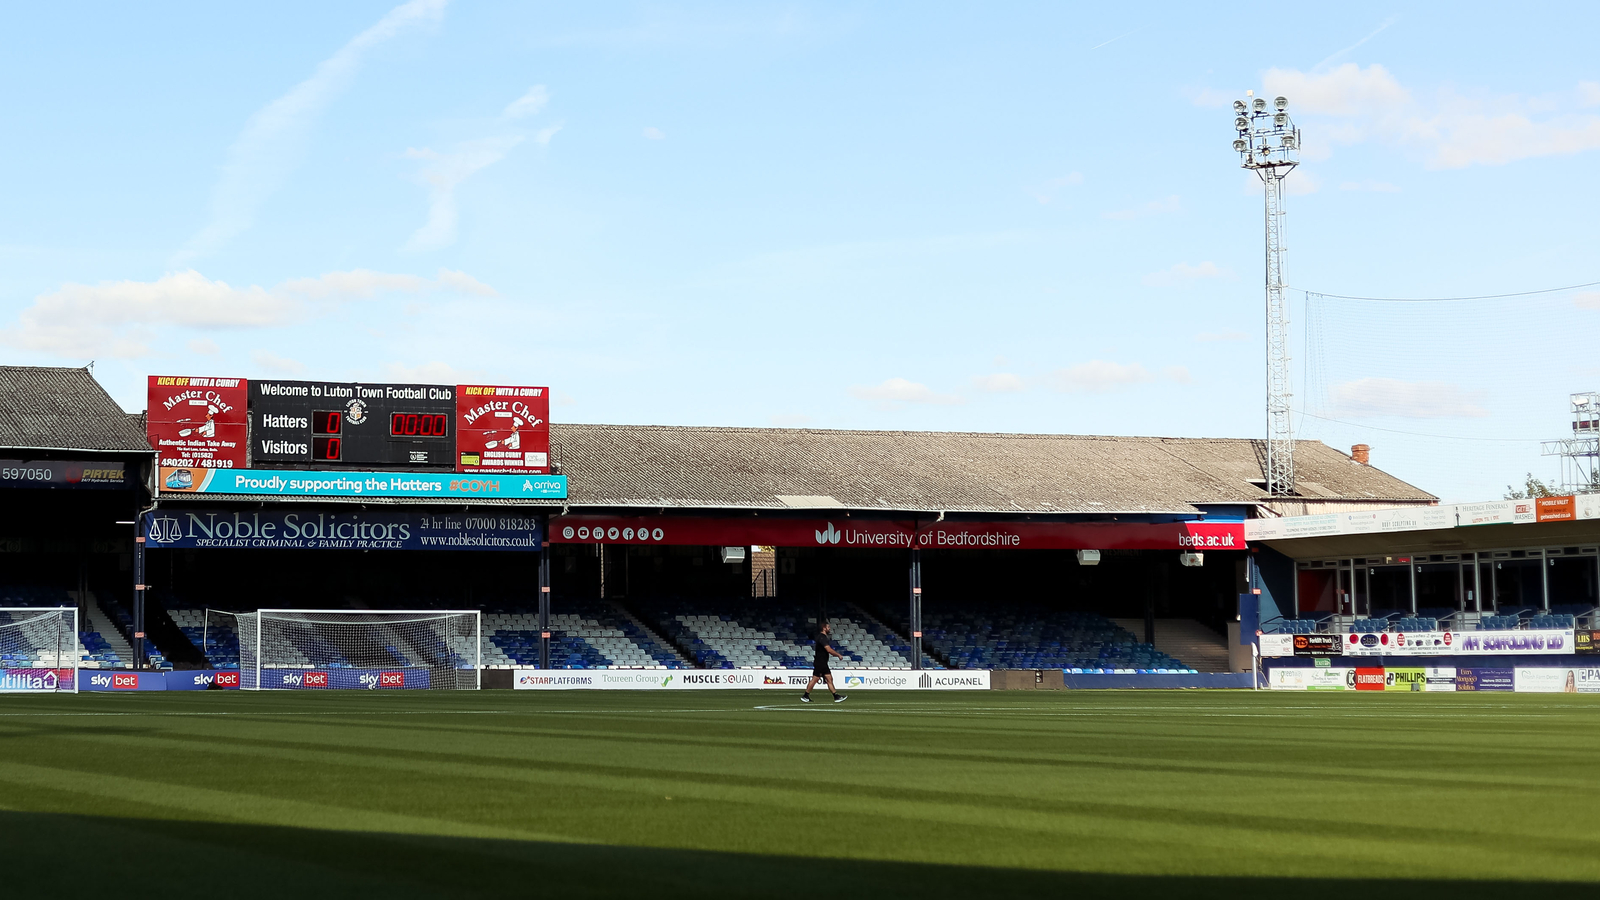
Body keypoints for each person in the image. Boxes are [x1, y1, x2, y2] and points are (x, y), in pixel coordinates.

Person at [802, 620, 847, 703]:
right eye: (828, 627)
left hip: (822, 662)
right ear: (824, 628)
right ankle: (806, 695)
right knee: (816, 679)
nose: (829, 629)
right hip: (820, 662)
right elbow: (828, 649)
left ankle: (835, 696)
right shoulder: (822, 637)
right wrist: (838, 655)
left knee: (827, 679)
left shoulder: (822, 637)